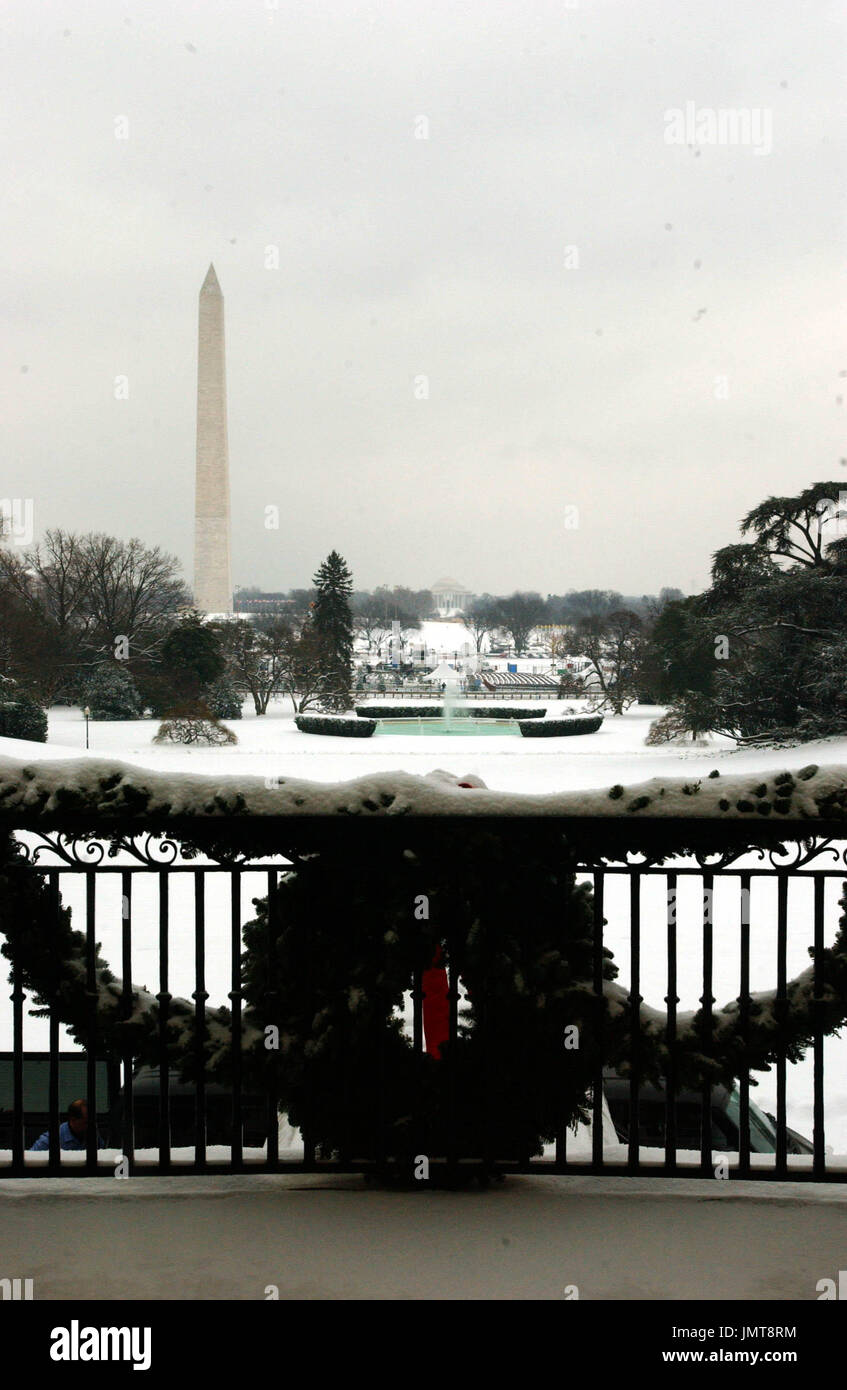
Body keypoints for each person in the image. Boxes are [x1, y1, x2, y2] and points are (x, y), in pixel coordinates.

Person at [30, 1099, 105, 1151]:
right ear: (73, 1120)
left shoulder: (93, 1135)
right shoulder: (50, 1139)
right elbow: (31, 1162)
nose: (91, 1127)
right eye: (86, 1123)